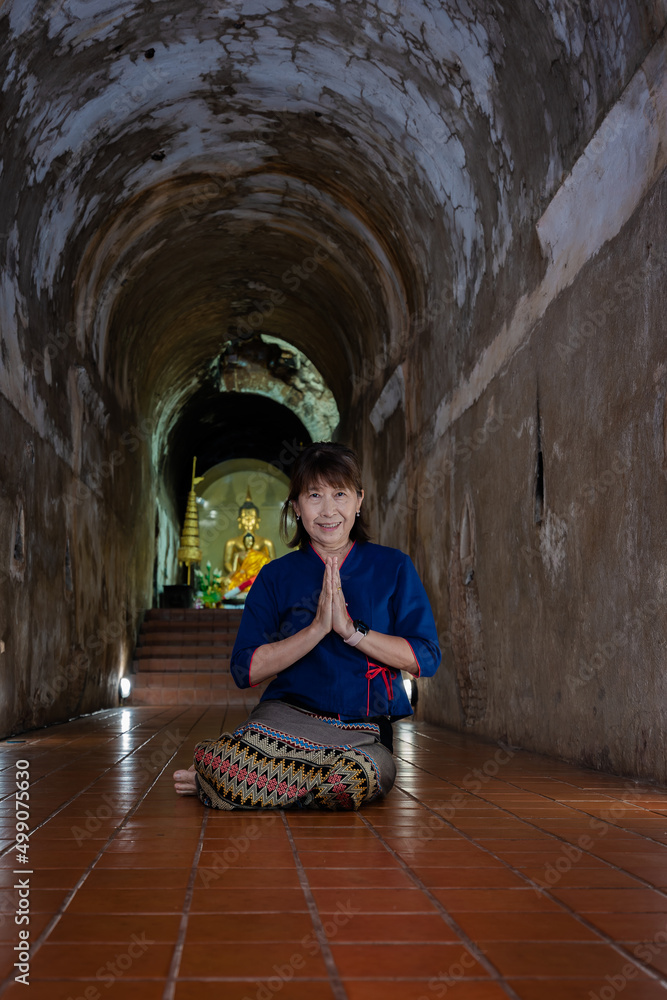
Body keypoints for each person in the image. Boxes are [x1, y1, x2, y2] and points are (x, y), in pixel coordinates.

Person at [173, 442, 441, 810]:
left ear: (359, 501)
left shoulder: (393, 567)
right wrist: (316, 629)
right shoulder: (275, 576)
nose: (328, 510)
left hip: (362, 733)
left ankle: (241, 780)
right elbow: (245, 669)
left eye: (340, 494)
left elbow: (424, 658)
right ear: (297, 507)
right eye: (314, 495)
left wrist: (351, 632)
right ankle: (254, 776)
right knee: (292, 774)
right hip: (284, 721)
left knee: (356, 777)